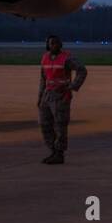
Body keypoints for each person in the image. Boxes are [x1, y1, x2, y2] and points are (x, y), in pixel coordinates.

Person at [37, 34, 87, 164]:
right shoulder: (45, 58)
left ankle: (59, 153)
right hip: (47, 95)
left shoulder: (66, 58)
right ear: (47, 45)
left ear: (60, 44)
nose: (54, 45)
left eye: (56, 43)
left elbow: (82, 70)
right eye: (51, 43)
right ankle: (53, 150)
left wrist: (72, 86)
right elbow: (43, 79)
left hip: (61, 95)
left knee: (60, 125)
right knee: (44, 123)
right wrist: (40, 96)